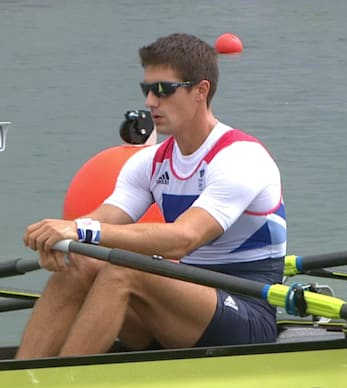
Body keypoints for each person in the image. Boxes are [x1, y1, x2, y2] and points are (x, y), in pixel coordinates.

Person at [18, 33, 287, 358]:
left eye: (163, 90)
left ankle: (63, 382)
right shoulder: (150, 162)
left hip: (246, 314)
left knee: (126, 268)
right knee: (80, 262)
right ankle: (22, 375)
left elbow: (183, 239)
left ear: (200, 91)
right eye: (146, 89)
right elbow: (103, 218)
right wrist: (58, 238)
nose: (150, 101)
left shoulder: (240, 157)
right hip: (181, 304)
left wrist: (80, 231)